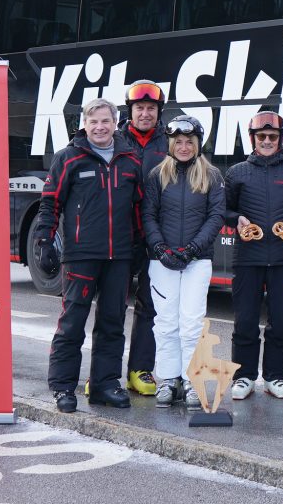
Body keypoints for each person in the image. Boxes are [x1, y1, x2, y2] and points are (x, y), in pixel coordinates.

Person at [35, 98, 143, 413]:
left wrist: (138, 245)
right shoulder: (68, 159)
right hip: (81, 256)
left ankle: (105, 385)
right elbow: (49, 203)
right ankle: (63, 388)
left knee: (112, 323)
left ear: (115, 123)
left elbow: (138, 208)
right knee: (72, 323)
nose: (100, 127)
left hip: (119, 258)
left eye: (106, 121)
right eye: (93, 121)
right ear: (85, 124)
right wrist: (44, 240)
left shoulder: (130, 161)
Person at [224, 112, 283, 400]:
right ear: (252, 139)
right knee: (246, 320)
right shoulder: (237, 172)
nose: (266, 141)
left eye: (272, 137)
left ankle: (276, 377)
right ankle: (244, 376)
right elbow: (223, 209)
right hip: (248, 257)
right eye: (261, 137)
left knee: (281, 320)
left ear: (280, 139)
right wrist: (237, 219)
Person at [143, 115, 225, 409]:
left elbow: (216, 217)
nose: (183, 147)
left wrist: (192, 249)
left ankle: (192, 381)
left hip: (197, 260)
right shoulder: (157, 175)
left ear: (197, 144)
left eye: (189, 142)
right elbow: (148, 215)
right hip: (162, 260)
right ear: (170, 144)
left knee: (190, 323)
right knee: (165, 323)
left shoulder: (212, 176)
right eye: (177, 142)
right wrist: (160, 248)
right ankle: (167, 379)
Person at [116, 79, 167, 396]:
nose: (145, 113)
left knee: (149, 306)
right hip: (120, 236)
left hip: (154, 237)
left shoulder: (171, 141)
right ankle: (106, 372)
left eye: (151, 108)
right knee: (113, 306)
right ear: (130, 111)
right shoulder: (115, 139)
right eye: (140, 108)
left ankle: (140, 370)